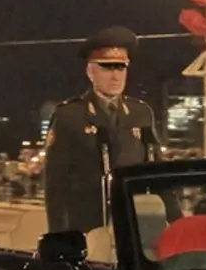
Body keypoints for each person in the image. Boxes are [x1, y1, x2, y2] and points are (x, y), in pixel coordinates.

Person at [42, 26, 166, 234]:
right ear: (91, 72)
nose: (116, 76)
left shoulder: (141, 113)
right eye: (108, 67)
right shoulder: (69, 116)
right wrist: (60, 237)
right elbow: (56, 185)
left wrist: (175, 221)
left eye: (121, 67)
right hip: (88, 227)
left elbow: (158, 173)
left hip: (134, 226)